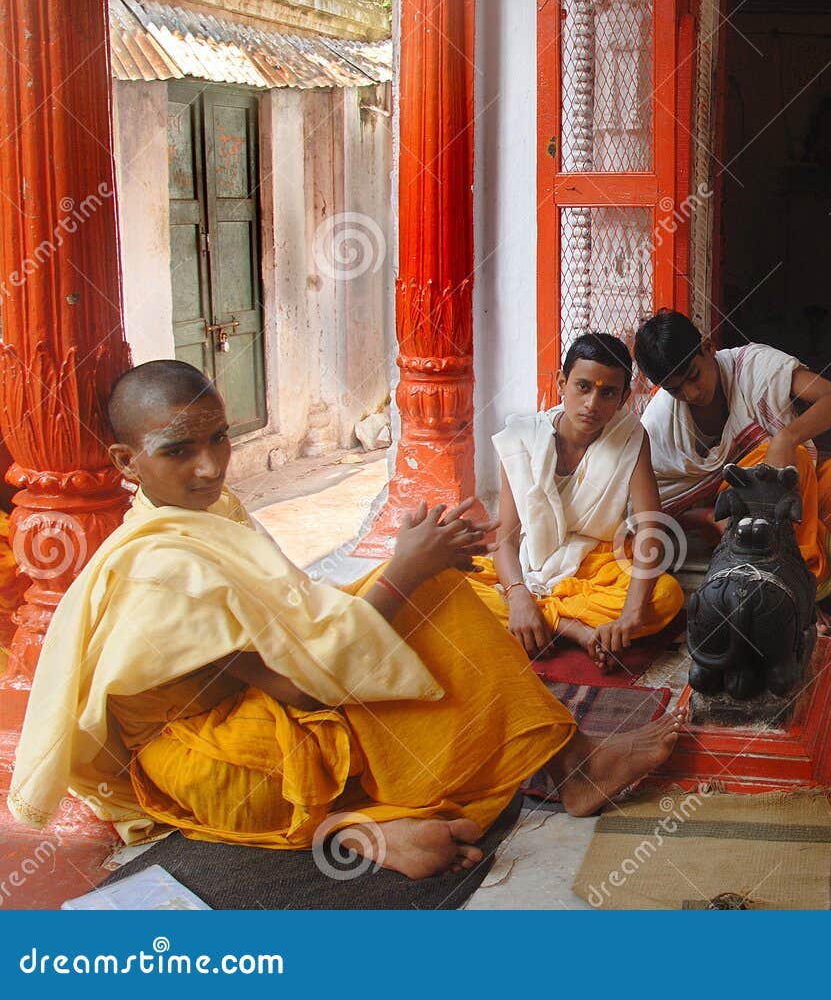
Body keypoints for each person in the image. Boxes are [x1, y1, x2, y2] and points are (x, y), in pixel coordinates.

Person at [7, 360, 685, 879]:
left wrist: (420, 569)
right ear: (127, 462)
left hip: (264, 700)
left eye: (218, 438)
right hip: (221, 761)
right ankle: (358, 829)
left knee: (448, 598)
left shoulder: (201, 516)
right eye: (178, 449)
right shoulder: (162, 566)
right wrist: (404, 570)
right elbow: (306, 683)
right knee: (418, 615)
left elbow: (297, 616)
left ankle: (570, 763)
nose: (211, 464)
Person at [634, 308, 831, 608]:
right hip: (736, 530)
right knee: (760, 470)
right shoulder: (659, 423)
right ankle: (786, 581)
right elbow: (647, 511)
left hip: (799, 504)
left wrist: (785, 438)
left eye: (693, 376)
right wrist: (706, 517)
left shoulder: (751, 366)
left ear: (708, 347)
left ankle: (800, 576)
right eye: (675, 389)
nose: (691, 393)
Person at [479, 333, 683, 670]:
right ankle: (572, 629)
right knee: (446, 585)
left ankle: (541, 618)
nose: (592, 404)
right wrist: (517, 595)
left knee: (665, 596)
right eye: (583, 387)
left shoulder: (630, 436)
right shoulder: (521, 438)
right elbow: (505, 538)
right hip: (533, 560)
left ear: (623, 398)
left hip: (598, 563)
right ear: (562, 382)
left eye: (607, 393)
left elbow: (650, 531)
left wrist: (631, 616)